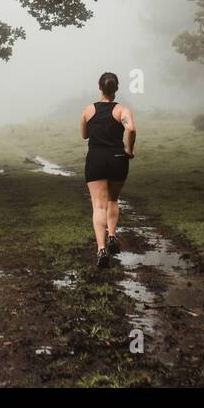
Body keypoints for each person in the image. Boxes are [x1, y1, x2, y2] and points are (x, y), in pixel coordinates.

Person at [80, 72, 136, 268]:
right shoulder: (122, 110)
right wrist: (129, 150)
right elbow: (131, 129)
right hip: (118, 159)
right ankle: (112, 235)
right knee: (113, 199)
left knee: (98, 205)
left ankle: (101, 249)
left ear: (99, 87)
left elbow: (84, 135)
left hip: (95, 159)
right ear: (117, 88)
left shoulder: (88, 110)